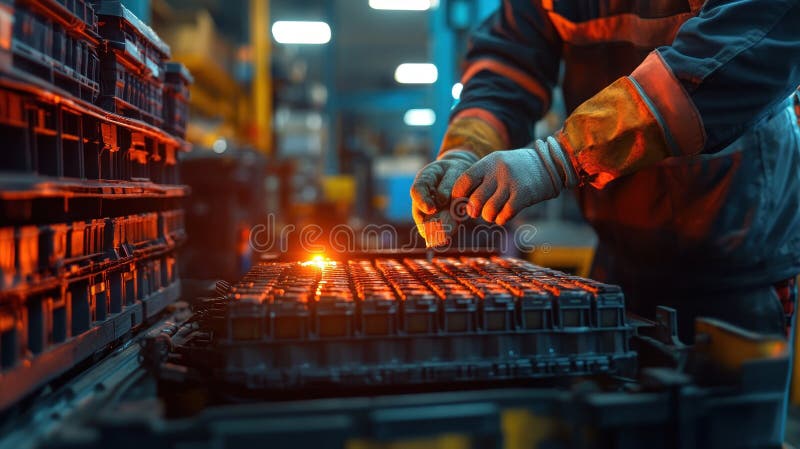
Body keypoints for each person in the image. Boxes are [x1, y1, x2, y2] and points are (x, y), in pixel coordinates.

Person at [411, 0, 800, 343]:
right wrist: (465, 151)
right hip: (619, 260)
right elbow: (506, 66)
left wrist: (561, 158)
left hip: (738, 264)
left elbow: (735, 53)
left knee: (725, 422)